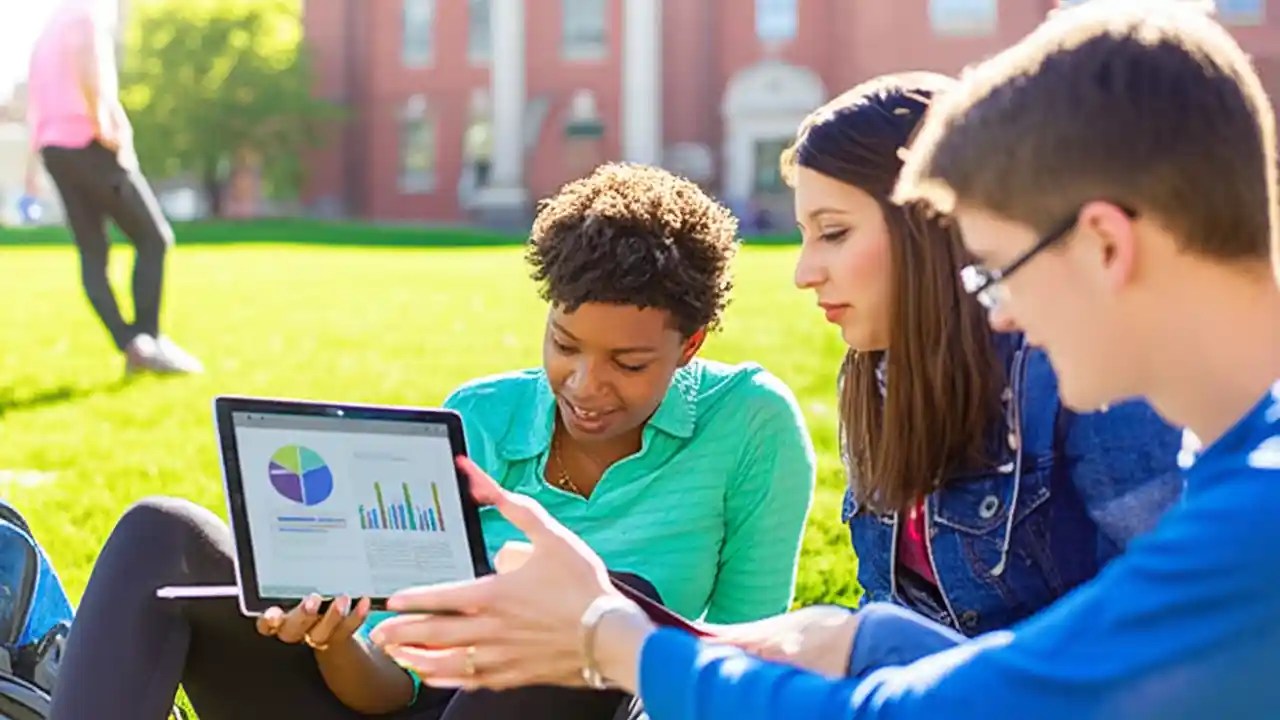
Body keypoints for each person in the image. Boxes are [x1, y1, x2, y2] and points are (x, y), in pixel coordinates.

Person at [366, 2, 1280, 718]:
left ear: (1107, 246)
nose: (998, 311)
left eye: (999, 269)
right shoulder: (1239, 471)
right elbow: (1044, 672)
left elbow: (984, 705)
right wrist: (853, 642)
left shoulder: (1254, 517)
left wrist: (607, 635)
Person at [47, 162, 817, 720]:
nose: (586, 384)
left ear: (690, 346)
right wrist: (335, 640)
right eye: (564, 345)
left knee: (598, 603)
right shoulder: (478, 418)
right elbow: (390, 687)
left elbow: (737, 669)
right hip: (397, 706)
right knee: (161, 534)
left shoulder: (751, 424)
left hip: (570, 698)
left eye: (629, 363)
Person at [785, 71, 1182, 636]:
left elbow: (1177, 613)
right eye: (803, 234)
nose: (804, 273)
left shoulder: (1074, 373)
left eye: (834, 233)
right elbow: (892, 607)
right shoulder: (874, 378)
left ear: (930, 227)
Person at [26, 0, 202, 375]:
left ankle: (131, 344)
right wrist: (106, 126)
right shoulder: (83, 16)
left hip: (54, 151)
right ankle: (149, 341)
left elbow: (35, 104)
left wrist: (32, 163)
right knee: (153, 238)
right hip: (90, 142)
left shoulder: (46, 33)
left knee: (93, 253)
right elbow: (89, 69)